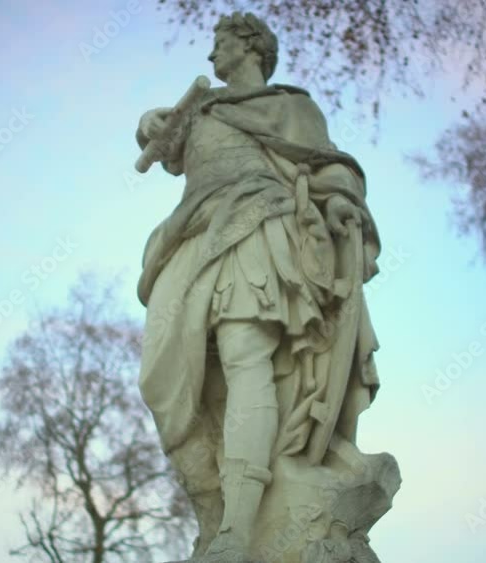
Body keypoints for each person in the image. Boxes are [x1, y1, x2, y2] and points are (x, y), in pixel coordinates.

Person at [135, 12, 382, 561]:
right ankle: (212, 512)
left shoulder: (291, 106)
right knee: (162, 379)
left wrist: (339, 203)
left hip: (255, 223)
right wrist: (150, 122)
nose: (211, 55)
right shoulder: (202, 108)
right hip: (190, 237)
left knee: (246, 357)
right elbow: (167, 150)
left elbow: (326, 164)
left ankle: (237, 528)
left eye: (220, 43)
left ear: (250, 47)